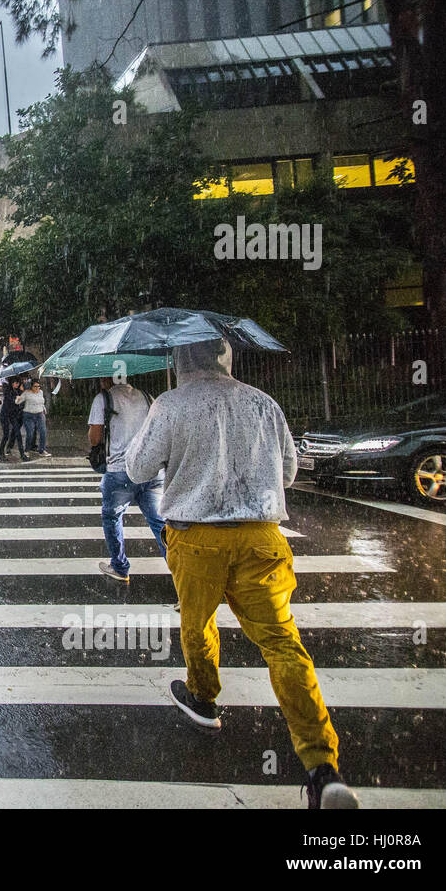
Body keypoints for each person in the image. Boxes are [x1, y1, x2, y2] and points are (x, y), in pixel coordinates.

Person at [125, 338, 358, 808]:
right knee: (281, 641)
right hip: (261, 538)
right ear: (227, 359)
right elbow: (288, 472)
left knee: (197, 622)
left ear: (180, 361)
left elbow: (137, 468)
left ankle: (204, 697)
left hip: (197, 540)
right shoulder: (263, 403)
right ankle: (321, 767)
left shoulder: (171, 404)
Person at [87, 375, 165, 580]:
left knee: (112, 517)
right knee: (159, 523)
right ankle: (181, 573)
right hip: (150, 470)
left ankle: (120, 568)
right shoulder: (148, 397)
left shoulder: (103, 399)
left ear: (106, 378)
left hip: (120, 471)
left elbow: (95, 438)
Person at [18, 378, 51, 457]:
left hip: (40, 414)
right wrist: (19, 396)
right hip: (29, 415)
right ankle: (27, 450)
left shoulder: (41, 392)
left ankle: (42, 450)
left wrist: (44, 409)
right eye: (35, 386)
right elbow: (17, 402)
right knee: (30, 433)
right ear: (31, 386)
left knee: (43, 432)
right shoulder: (26, 393)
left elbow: (41, 402)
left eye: (38, 386)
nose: (37, 388)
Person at [0, 376, 26, 461]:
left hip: (13, 415)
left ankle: (22, 454)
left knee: (18, 434)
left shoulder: (18, 391)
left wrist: (21, 392)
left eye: (18, 383)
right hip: (5, 415)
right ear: (12, 383)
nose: (17, 385)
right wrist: (16, 398)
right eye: (15, 383)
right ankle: (0, 453)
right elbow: (11, 399)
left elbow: (21, 400)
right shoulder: (7, 390)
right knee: (6, 435)